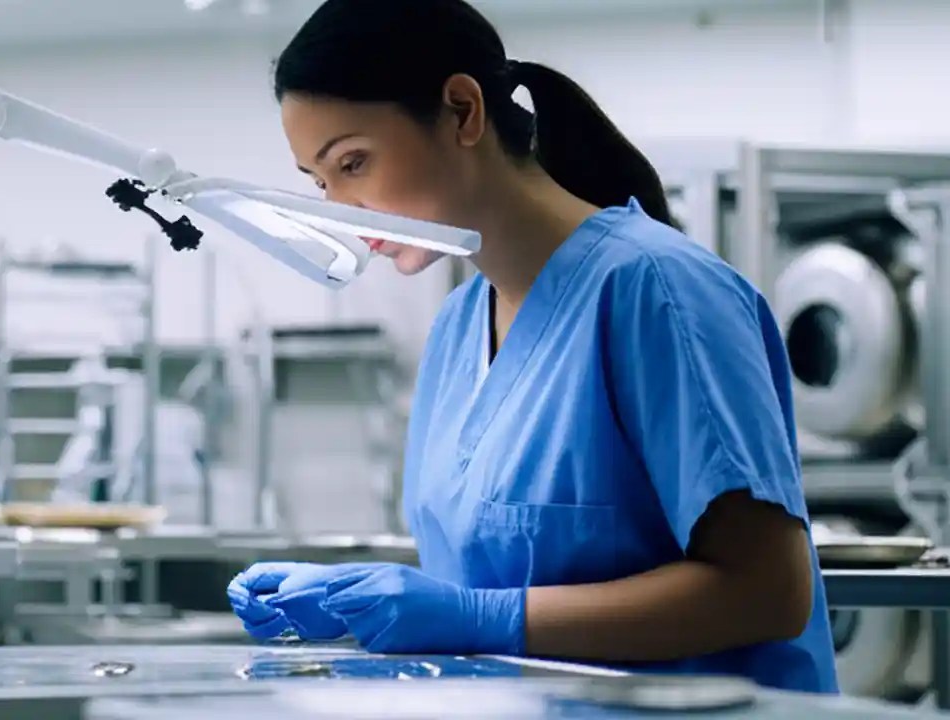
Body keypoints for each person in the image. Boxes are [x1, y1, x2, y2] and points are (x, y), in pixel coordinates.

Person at [226, 0, 838, 694]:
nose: (338, 209)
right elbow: (502, 579)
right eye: (320, 182)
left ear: (463, 112)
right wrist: (363, 602)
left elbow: (768, 593)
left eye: (353, 162)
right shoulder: (458, 327)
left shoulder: (659, 292)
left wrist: (479, 617)